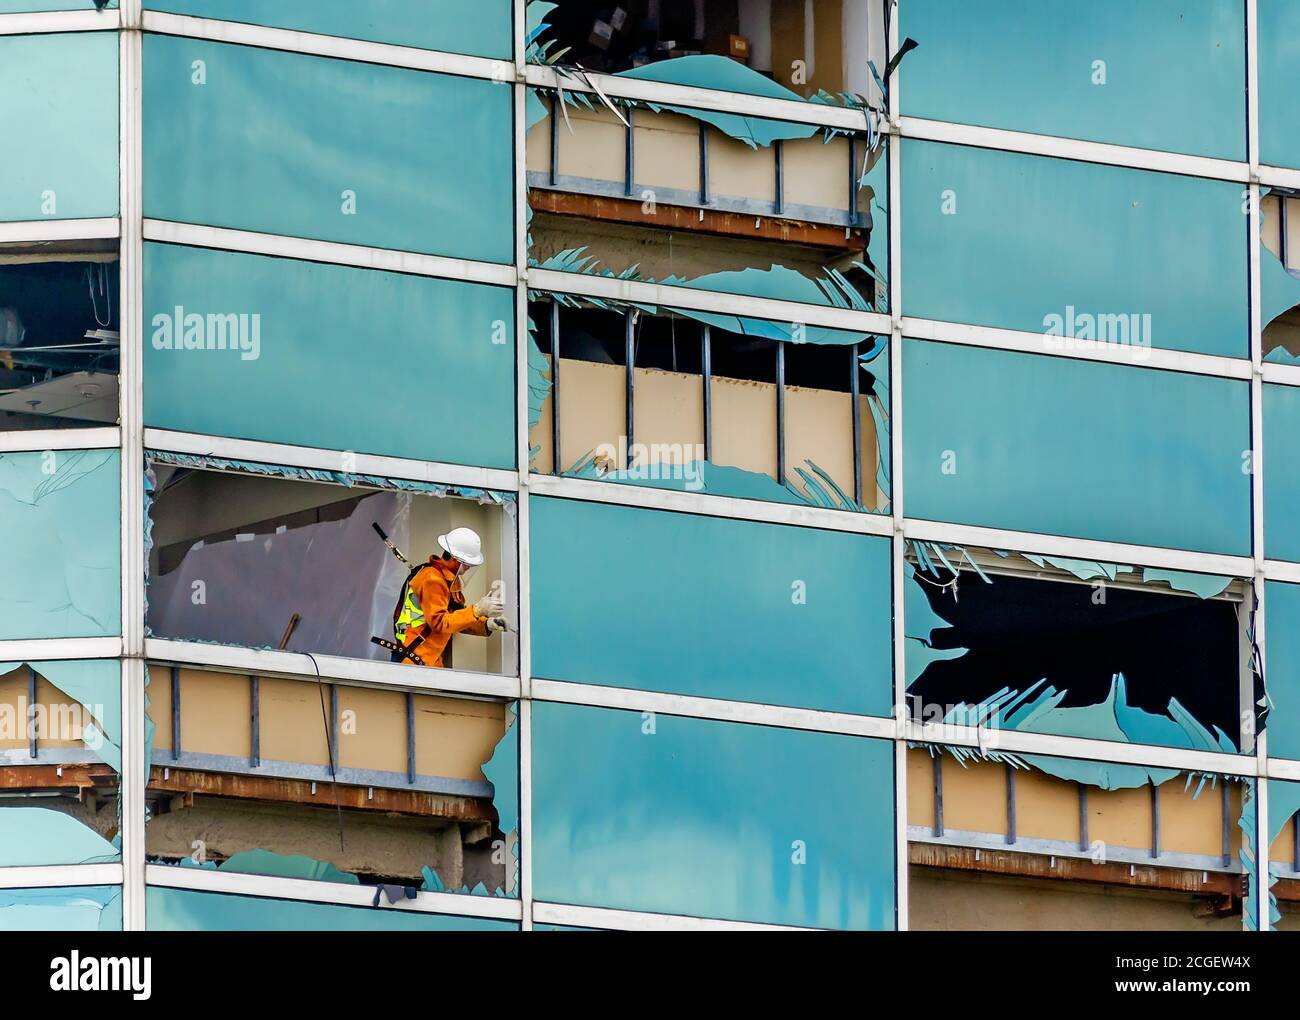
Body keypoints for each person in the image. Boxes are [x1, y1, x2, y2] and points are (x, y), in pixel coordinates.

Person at [392, 527, 508, 668]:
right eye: (466, 564)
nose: (468, 568)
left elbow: (454, 619)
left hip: (426, 659)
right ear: (454, 558)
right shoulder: (432, 579)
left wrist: (486, 624)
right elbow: (440, 622)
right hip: (413, 659)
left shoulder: (448, 581)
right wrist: (476, 610)